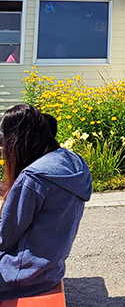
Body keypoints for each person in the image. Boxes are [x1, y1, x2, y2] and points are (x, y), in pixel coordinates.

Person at [0, 104, 92, 301]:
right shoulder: (73, 162)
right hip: (49, 272)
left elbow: (4, 238)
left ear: (18, 141)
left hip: (19, 275)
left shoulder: (33, 178)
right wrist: (11, 191)